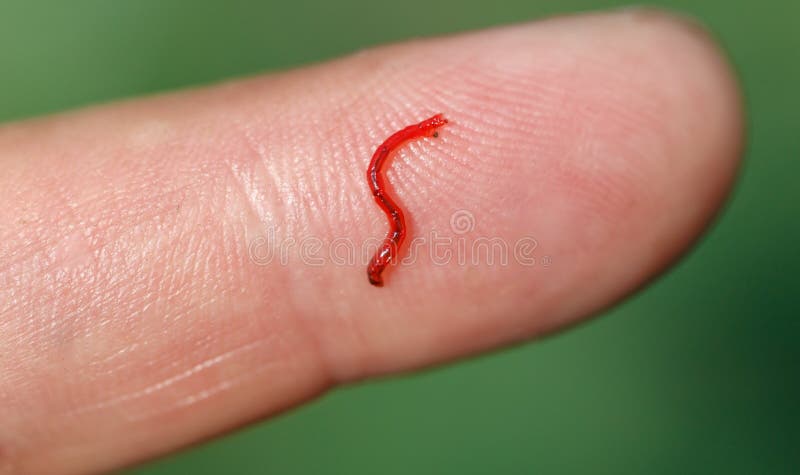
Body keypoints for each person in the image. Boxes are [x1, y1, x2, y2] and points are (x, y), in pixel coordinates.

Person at [0, 9, 743, 475]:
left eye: (382, 266)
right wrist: (415, 142)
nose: (386, 262)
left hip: (398, 150)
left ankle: (420, 133)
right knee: (387, 190)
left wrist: (418, 136)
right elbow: (381, 183)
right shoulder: (387, 226)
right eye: (384, 266)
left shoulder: (390, 219)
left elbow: (382, 180)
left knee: (389, 188)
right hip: (395, 154)